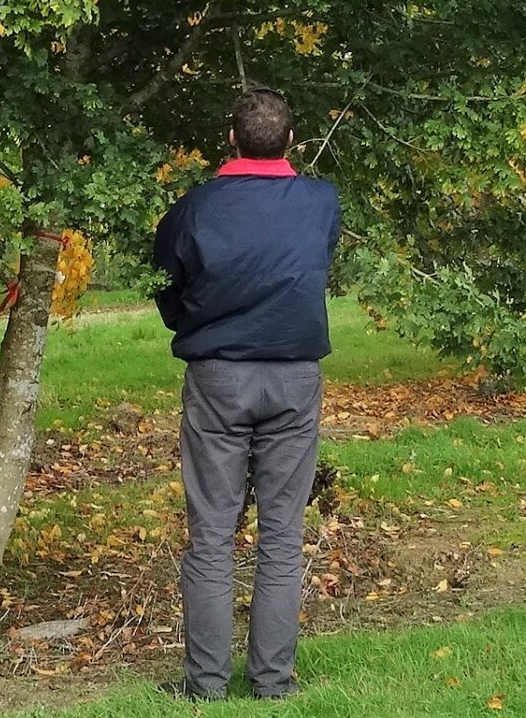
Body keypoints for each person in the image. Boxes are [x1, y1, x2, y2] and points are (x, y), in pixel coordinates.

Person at [152, 88, 342, 701]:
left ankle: (206, 685)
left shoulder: (193, 209)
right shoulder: (320, 202)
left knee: (212, 532)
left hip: (219, 376)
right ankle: (271, 684)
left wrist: (196, 323)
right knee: (282, 533)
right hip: (292, 376)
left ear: (231, 138)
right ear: (291, 140)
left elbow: (167, 284)